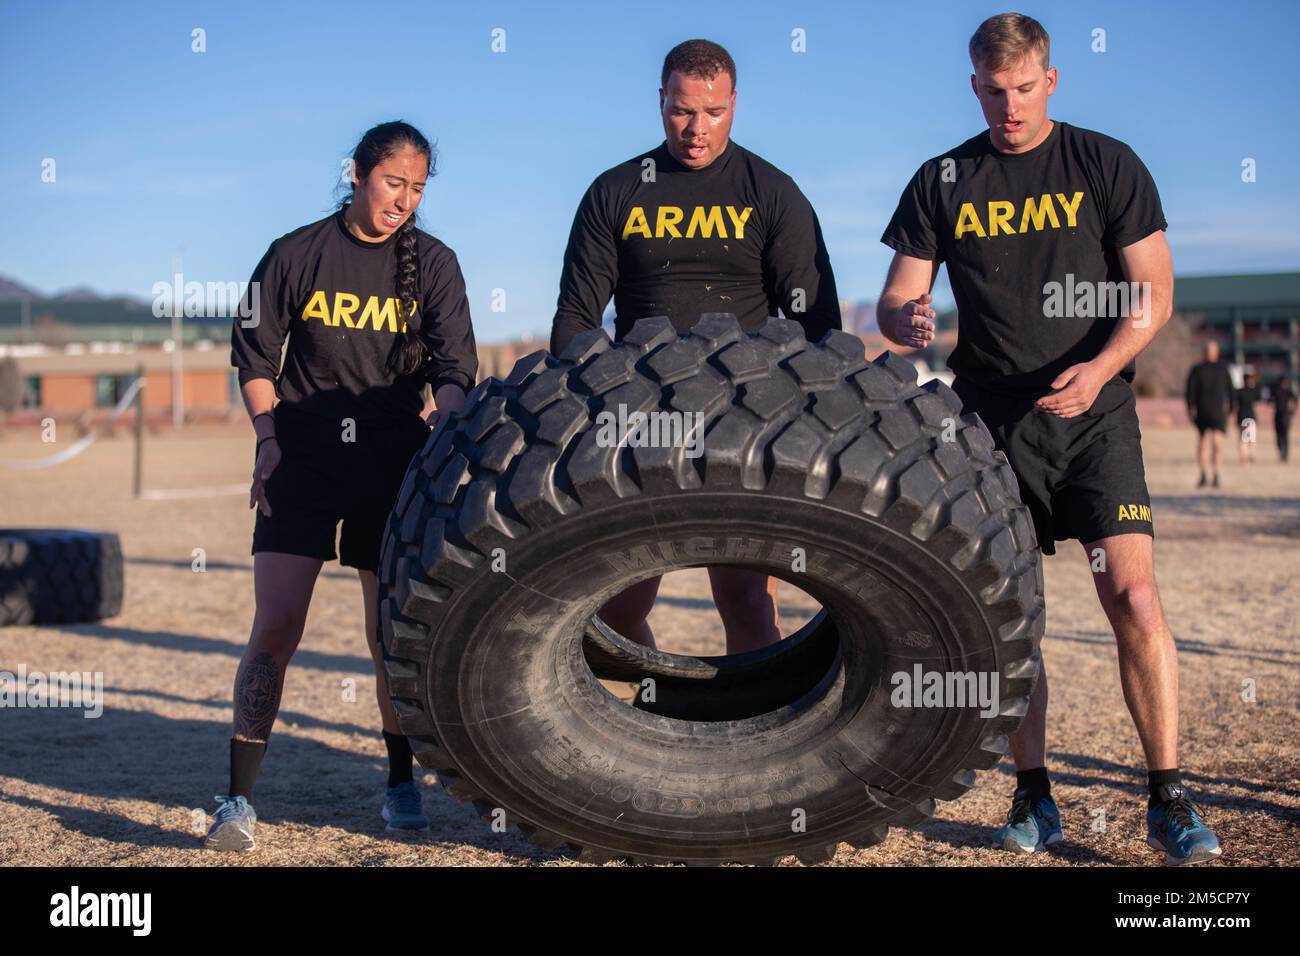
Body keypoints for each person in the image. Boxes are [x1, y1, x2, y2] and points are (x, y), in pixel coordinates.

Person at [877, 13, 1220, 864]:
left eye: (1024, 89)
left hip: (1095, 417)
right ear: (974, 87)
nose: (1010, 107)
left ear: (1051, 81)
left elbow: (1155, 292)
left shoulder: (1105, 163)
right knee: (1015, 618)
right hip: (991, 425)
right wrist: (905, 316)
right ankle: (1035, 798)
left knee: (1133, 600)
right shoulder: (943, 177)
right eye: (994, 92)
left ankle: (1169, 800)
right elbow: (895, 298)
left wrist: (1101, 369)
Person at [207, 121, 479, 851]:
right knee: (277, 624)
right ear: (356, 174)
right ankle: (236, 800)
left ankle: (399, 786)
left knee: (387, 636)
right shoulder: (296, 253)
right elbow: (257, 360)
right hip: (301, 460)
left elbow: (454, 371)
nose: (404, 200)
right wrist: (267, 443)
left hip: (391, 466)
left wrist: (444, 427)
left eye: (418, 188)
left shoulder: (436, 264)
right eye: (394, 182)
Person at [550, 39, 841, 656]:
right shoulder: (617, 189)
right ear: (661, 101)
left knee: (745, 602)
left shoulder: (771, 191)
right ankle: (652, 704)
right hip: (641, 418)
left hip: (743, 419)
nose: (696, 129)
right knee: (619, 606)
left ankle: (758, 735)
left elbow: (816, 322)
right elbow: (576, 318)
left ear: (734, 103)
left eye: (713, 112)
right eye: (682, 111)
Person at [1185, 340, 1234, 486]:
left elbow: (1189, 393)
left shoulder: (1200, 369)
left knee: (1208, 443)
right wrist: (1231, 410)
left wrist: (1190, 409)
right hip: (1209, 411)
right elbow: (1190, 393)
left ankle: (1211, 474)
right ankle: (1208, 474)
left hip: (1210, 411)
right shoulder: (1218, 369)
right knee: (1210, 443)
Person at [1235, 369, 1260, 464]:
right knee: (1251, 438)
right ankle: (1250, 454)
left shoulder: (1239, 391)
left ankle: (1244, 456)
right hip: (1250, 417)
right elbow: (1258, 396)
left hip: (1241, 416)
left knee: (1243, 438)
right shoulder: (1253, 391)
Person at [1274, 378, 1297, 462]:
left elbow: (1295, 399)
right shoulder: (1277, 391)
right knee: (1278, 435)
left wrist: (1292, 410)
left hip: (1286, 415)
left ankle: (1285, 454)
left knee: (1285, 435)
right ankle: (1281, 451)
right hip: (1278, 414)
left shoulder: (1288, 392)